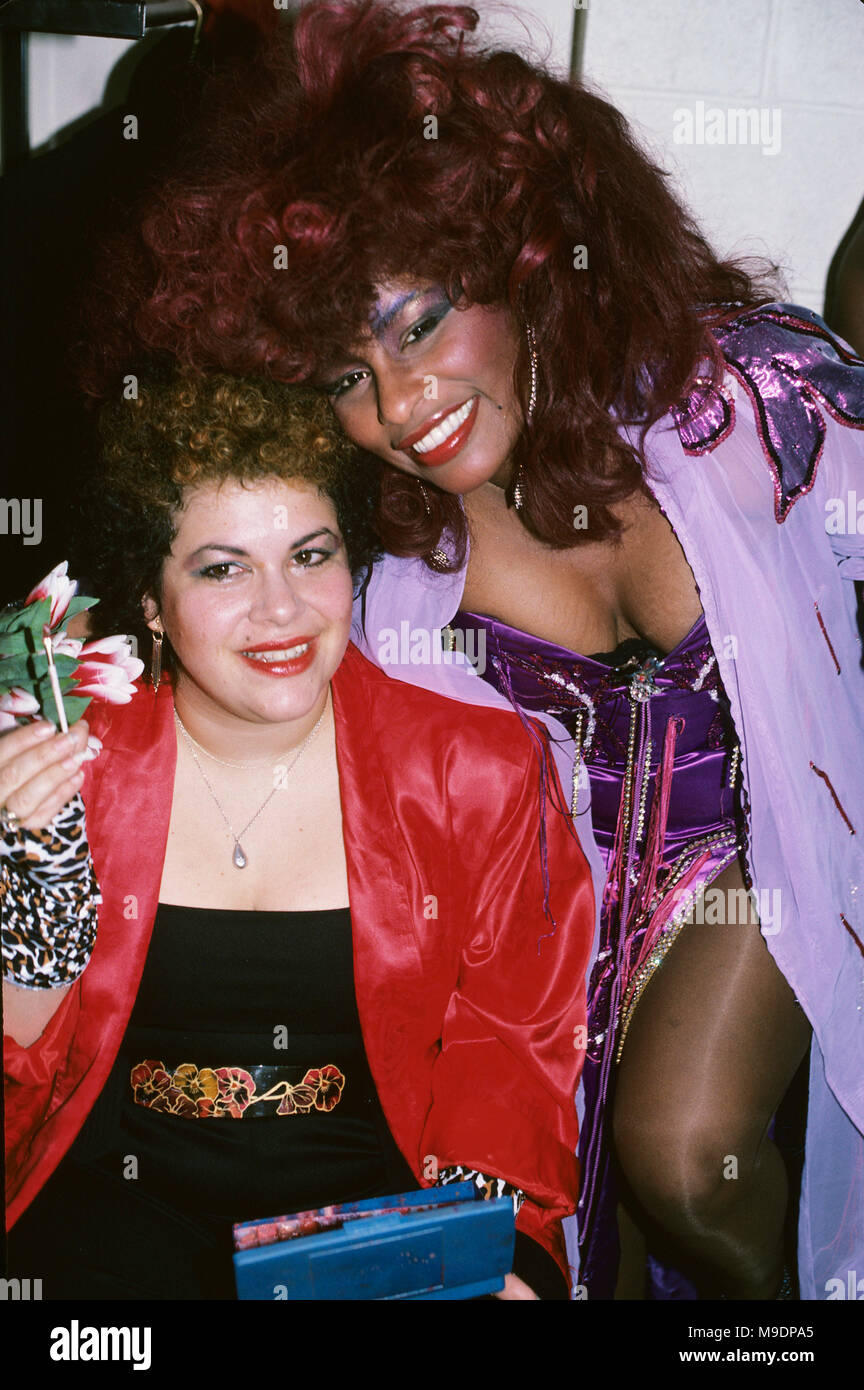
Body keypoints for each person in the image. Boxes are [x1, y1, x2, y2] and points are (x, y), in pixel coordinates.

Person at [78, 0, 864, 1302]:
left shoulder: (755, 402)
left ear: (529, 257)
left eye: (420, 321)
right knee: (567, 1248)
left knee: (680, 1142)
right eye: (343, 373)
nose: (398, 407)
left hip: (797, 827)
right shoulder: (390, 560)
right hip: (566, 916)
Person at [1, 371, 594, 1301]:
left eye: (310, 557)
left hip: (367, 1242)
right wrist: (29, 886)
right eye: (222, 567)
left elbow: (514, 1050)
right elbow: (22, 1077)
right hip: (107, 1242)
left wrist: (504, 1252)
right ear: (150, 603)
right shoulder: (66, 766)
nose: (280, 609)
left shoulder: (475, 772)